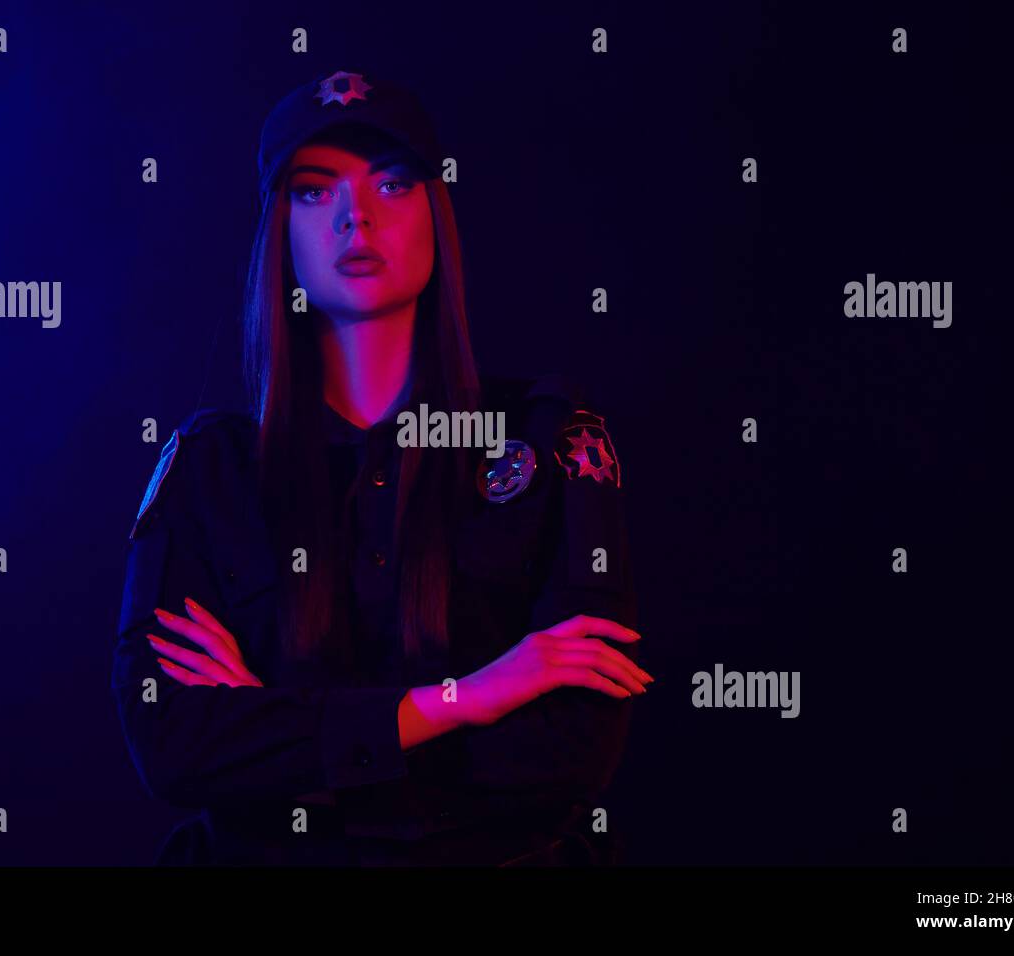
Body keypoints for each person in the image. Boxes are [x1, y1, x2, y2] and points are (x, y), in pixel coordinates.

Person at [111, 69, 650, 866]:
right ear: (279, 234)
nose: (354, 218)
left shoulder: (548, 438)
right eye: (314, 192)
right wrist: (465, 698)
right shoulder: (209, 469)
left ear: (437, 214)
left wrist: (276, 728)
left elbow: (569, 755)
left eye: (393, 185)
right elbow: (171, 745)